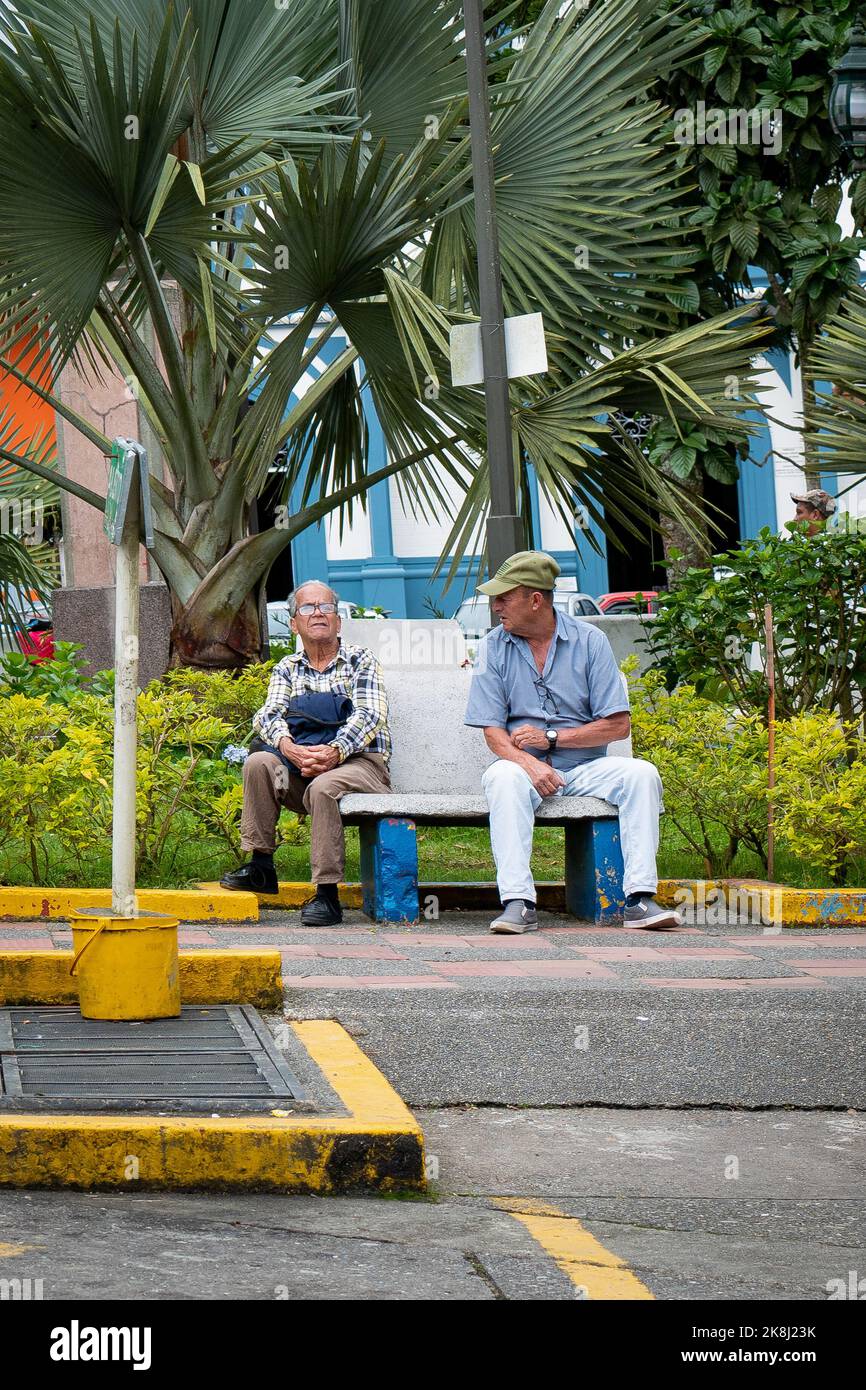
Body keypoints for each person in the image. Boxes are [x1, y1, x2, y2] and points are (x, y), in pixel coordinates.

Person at [464, 551, 681, 933]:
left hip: (586, 767)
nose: (495, 606)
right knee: (502, 778)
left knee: (641, 774)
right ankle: (519, 903)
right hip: (524, 768)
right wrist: (530, 763)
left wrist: (552, 738)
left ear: (535, 599)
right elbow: (492, 732)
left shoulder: (590, 642)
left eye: (504, 597)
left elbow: (617, 726)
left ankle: (639, 900)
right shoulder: (492, 647)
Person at [221, 581, 391, 925]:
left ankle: (327, 895)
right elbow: (267, 716)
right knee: (260, 762)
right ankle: (261, 865)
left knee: (324, 787)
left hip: (360, 767)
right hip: (297, 772)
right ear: (294, 623)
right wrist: (289, 748)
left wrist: (335, 751)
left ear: (338, 622)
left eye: (326, 607)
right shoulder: (287, 668)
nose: (317, 613)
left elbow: (370, 714)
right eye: (307, 608)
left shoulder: (360, 660)